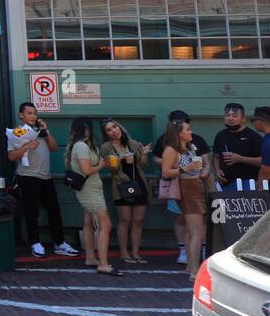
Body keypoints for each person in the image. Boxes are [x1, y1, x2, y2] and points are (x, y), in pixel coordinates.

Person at [7, 102, 78, 258]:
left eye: (34, 113)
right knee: (31, 211)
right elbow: (11, 156)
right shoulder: (18, 132)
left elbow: (53, 148)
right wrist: (27, 146)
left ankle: (59, 243)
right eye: (29, 113)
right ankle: (35, 243)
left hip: (46, 176)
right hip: (27, 176)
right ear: (21, 115)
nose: (33, 116)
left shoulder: (41, 131)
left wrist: (46, 131)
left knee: (54, 210)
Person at [152, 110, 209, 265]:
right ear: (179, 133)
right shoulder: (171, 149)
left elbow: (204, 162)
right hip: (186, 189)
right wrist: (185, 168)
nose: (191, 131)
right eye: (188, 129)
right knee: (196, 232)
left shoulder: (190, 147)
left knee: (193, 231)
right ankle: (194, 270)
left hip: (197, 186)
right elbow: (166, 172)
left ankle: (191, 267)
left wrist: (202, 169)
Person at [68, 118, 119, 276]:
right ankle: (103, 264)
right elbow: (87, 170)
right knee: (106, 225)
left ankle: (90, 257)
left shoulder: (77, 145)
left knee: (88, 222)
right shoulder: (82, 146)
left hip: (90, 188)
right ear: (87, 129)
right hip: (90, 190)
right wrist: (103, 165)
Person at [100, 118, 149, 264]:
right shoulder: (106, 147)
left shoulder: (133, 143)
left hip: (138, 183)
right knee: (125, 220)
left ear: (119, 127)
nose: (114, 131)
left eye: (115, 127)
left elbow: (144, 165)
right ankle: (124, 253)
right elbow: (112, 170)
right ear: (106, 134)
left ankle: (135, 253)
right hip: (122, 185)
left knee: (138, 221)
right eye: (109, 130)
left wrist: (144, 153)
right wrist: (120, 159)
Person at [212, 103, 263, 187]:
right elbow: (216, 156)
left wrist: (241, 159)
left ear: (243, 118)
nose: (230, 118)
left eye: (235, 116)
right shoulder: (220, 135)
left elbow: (263, 161)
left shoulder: (254, 137)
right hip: (226, 184)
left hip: (249, 184)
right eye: (227, 115)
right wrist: (217, 170)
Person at [254, 108, 270, 186]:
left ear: (259, 121)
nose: (253, 123)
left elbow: (265, 172)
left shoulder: (267, 142)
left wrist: (260, 190)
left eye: (253, 120)